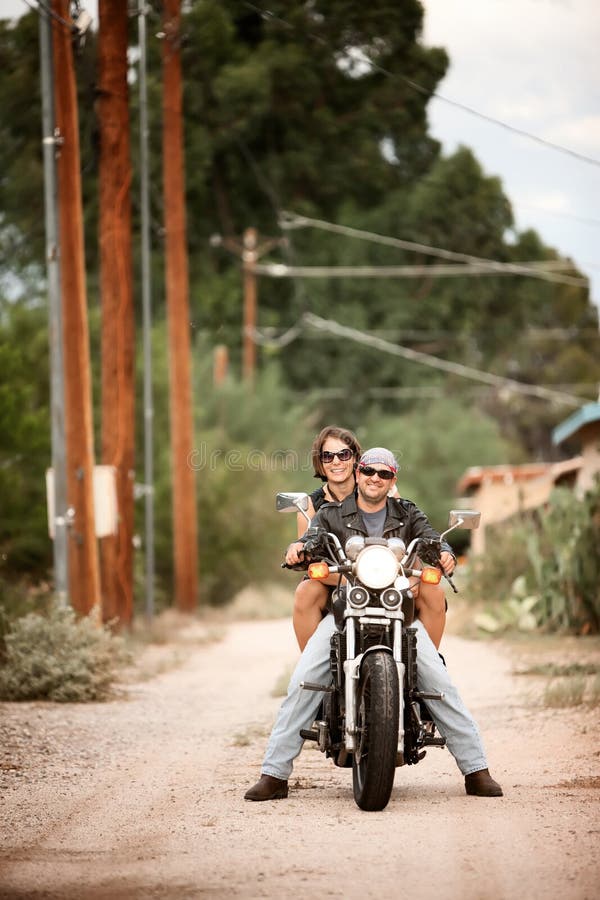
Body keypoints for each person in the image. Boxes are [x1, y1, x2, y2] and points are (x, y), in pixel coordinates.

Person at [245, 447, 503, 802]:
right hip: (345, 614)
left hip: (399, 613)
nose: (374, 479)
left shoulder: (406, 511)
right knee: (303, 682)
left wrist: (443, 554)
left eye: (384, 474)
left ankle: (477, 770)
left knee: (440, 683)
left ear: (392, 479)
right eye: (368, 471)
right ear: (359, 473)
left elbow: (429, 539)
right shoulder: (333, 513)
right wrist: (300, 548)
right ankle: (274, 775)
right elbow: (313, 538)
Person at [294, 428, 448, 651]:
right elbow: (308, 558)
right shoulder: (312, 507)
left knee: (431, 590)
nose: (336, 461)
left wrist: (410, 576)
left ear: (356, 461)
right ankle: (313, 672)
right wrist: (360, 577)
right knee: (306, 590)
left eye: (344, 455)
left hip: (387, 576)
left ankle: (426, 665)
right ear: (320, 462)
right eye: (328, 456)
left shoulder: (376, 486)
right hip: (335, 581)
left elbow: (405, 538)